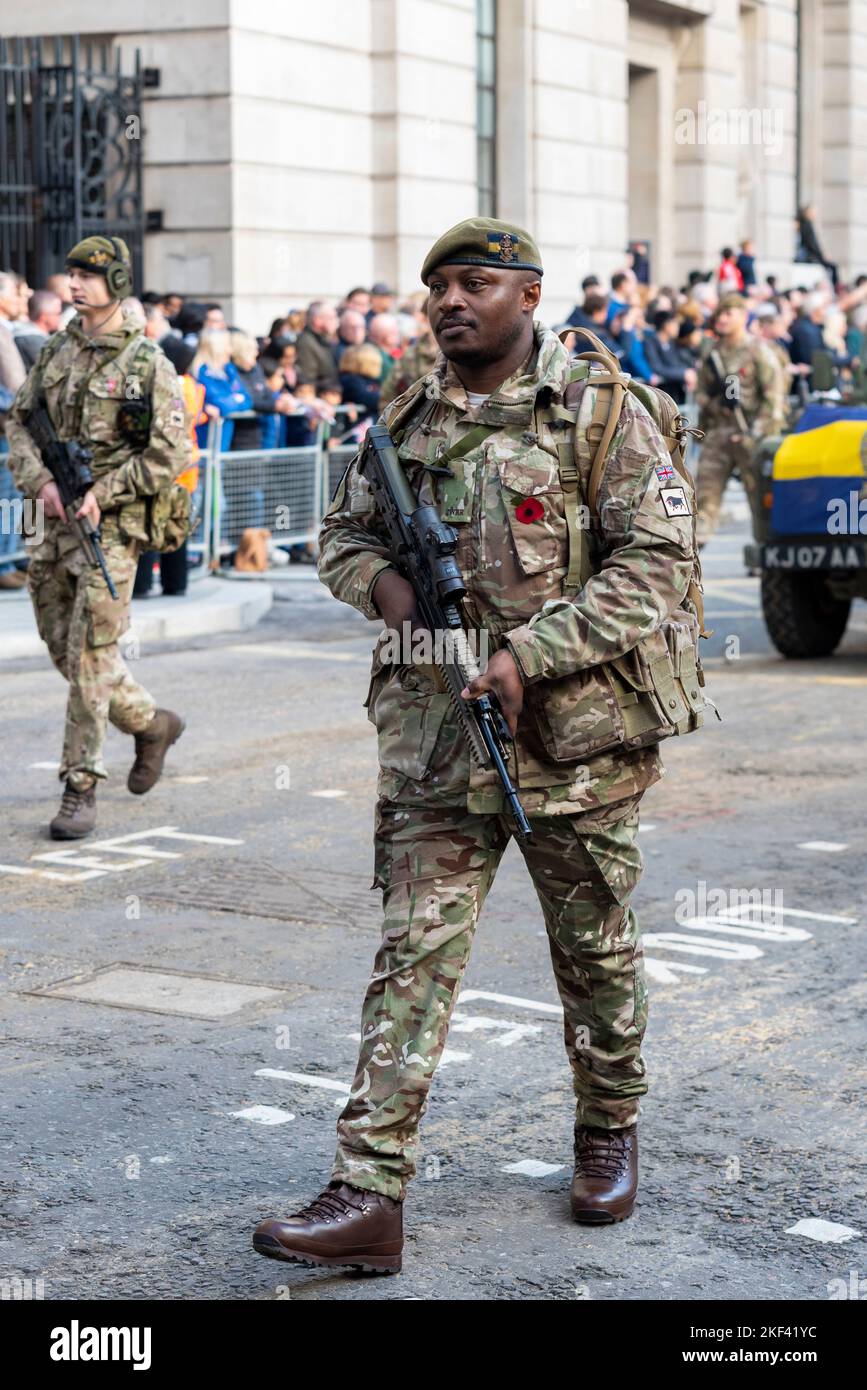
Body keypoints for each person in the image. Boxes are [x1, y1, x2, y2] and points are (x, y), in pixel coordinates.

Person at [253, 215, 700, 1274]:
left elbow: (659, 561)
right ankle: (369, 1192)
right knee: (412, 957)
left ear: (528, 295)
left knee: (593, 951)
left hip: (571, 742)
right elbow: (340, 535)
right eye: (438, 287)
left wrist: (532, 653)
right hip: (435, 743)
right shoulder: (403, 409)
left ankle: (606, 1127)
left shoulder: (600, 415)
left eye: (474, 284)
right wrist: (386, 585)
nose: (451, 302)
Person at [5, 236, 189, 838]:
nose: (74, 284)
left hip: (111, 530)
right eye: (71, 274)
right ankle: (150, 723)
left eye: (87, 275)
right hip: (54, 524)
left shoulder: (146, 364)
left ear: (116, 281)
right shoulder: (57, 349)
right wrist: (40, 483)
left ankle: (79, 785)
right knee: (62, 646)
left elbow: (171, 452)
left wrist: (100, 493)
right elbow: (19, 419)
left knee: (91, 654)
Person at [694, 293, 786, 546]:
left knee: (759, 498)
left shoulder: (759, 351)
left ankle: (764, 549)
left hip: (751, 434)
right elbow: (700, 392)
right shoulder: (712, 353)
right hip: (720, 431)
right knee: (705, 494)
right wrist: (714, 403)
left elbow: (773, 398)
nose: (721, 319)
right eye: (719, 314)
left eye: (728, 314)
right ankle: (694, 553)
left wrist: (755, 433)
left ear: (743, 317)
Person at [133, 337, 205, 599]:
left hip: (162, 462)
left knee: (150, 523)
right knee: (176, 526)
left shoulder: (164, 384)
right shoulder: (193, 387)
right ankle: (176, 583)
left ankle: (141, 584)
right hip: (186, 465)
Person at [0, 270, 28, 588]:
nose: (23, 298)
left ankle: (16, 556)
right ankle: (6, 561)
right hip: (9, 427)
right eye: (16, 293)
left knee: (20, 496)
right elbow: (14, 384)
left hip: (17, 429)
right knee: (10, 496)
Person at [191, 328, 252, 450]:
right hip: (204, 441)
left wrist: (230, 402)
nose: (230, 350)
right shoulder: (200, 372)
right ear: (217, 348)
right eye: (227, 345)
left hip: (223, 440)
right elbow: (219, 403)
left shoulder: (229, 369)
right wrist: (235, 399)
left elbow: (247, 400)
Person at [643, 309, 697, 404]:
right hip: (660, 396)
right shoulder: (650, 343)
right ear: (666, 325)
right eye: (675, 324)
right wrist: (683, 374)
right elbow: (656, 368)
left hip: (675, 392)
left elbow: (677, 363)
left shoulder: (672, 343)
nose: (677, 327)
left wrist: (688, 373)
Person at [294, 302, 340, 393]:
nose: (337, 321)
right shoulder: (306, 342)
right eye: (332, 318)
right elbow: (307, 378)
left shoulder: (324, 340)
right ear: (317, 320)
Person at [796, 205, 838, 288]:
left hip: (810, 255)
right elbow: (812, 244)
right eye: (814, 212)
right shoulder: (807, 224)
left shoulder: (805, 224)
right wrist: (822, 256)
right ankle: (836, 287)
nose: (816, 214)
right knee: (832, 267)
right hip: (809, 256)